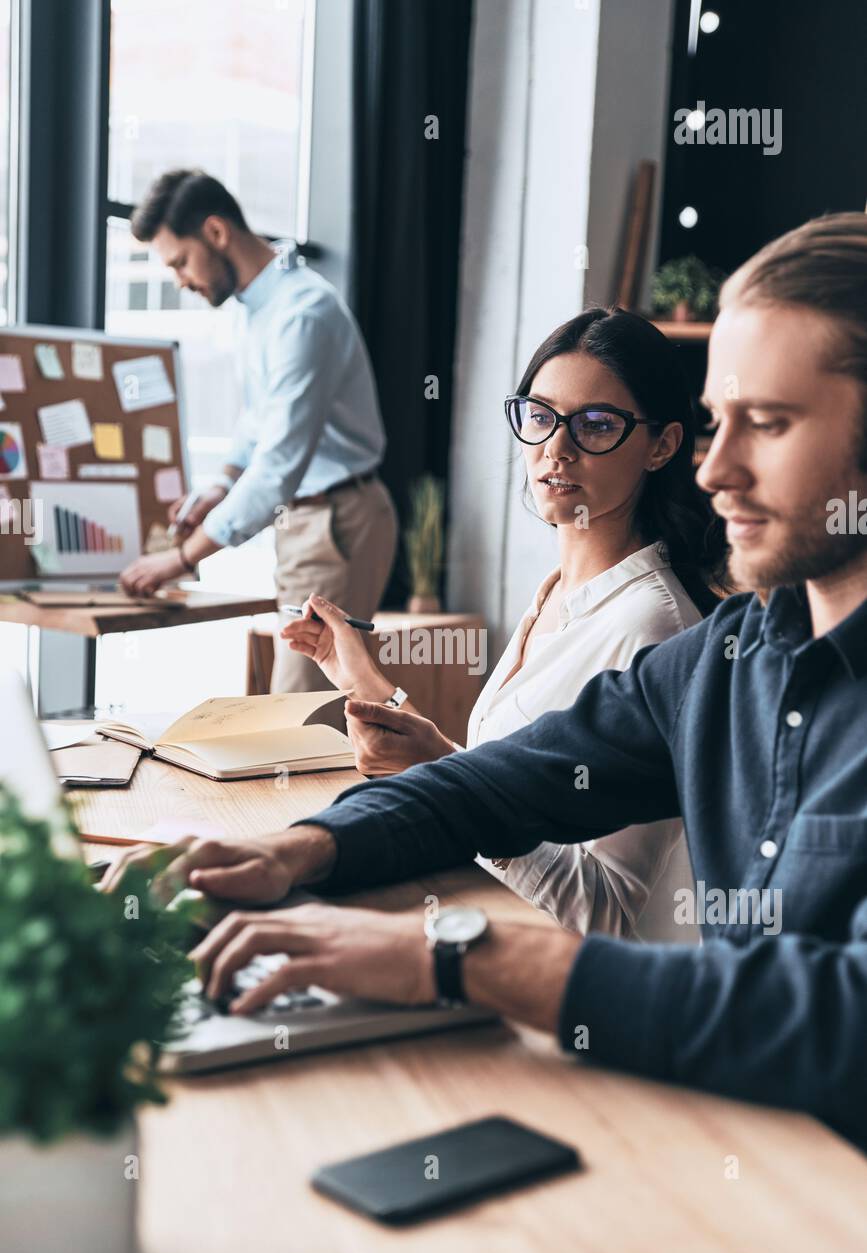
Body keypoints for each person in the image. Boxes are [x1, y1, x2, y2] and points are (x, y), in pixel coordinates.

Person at [105, 212, 867, 1150]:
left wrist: (457, 952)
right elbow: (499, 782)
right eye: (719, 423)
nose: (716, 468)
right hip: (746, 1147)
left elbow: (840, 1017)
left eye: (771, 424)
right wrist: (296, 852)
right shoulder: (726, 656)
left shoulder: (668, 624)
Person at [278, 309, 727, 939]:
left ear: (662, 445)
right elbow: (502, 775)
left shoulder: (651, 628)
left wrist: (449, 785)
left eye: (596, 425)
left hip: (575, 1008)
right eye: (540, 416)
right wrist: (368, 685)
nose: (556, 449)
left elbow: (607, 913)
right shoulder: (557, 594)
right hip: (490, 934)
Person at [118, 169, 397, 692]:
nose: (179, 280)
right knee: (296, 710)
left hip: (336, 520)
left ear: (216, 233)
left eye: (180, 261)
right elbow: (259, 419)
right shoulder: (258, 309)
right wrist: (219, 485)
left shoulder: (302, 315)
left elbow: (277, 469)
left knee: (301, 715)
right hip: (310, 522)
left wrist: (179, 559)